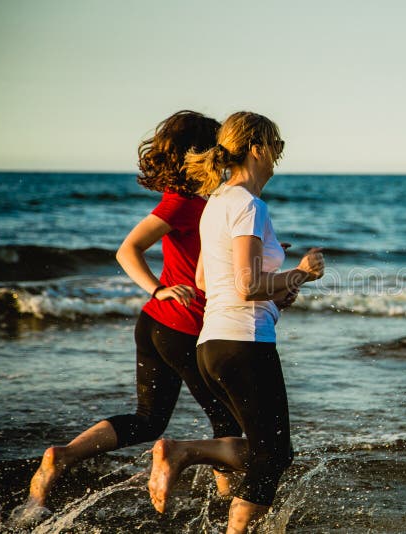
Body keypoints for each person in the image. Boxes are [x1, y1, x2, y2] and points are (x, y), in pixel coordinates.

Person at [28, 111, 297, 508]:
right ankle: (223, 500)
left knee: (148, 419)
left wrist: (265, 258)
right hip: (185, 326)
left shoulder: (211, 202)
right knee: (231, 424)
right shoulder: (190, 203)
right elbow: (128, 249)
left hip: (156, 325)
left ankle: (63, 455)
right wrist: (159, 288)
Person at [146, 111, 324, 533]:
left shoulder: (217, 204)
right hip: (244, 342)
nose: (278, 157)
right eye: (277, 147)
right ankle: (184, 455)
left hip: (213, 344)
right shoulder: (248, 204)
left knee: (263, 449)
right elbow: (246, 285)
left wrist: (278, 292)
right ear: (259, 148)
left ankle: (185, 453)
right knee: (274, 456)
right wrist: (301, 272)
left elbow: (205, 279)